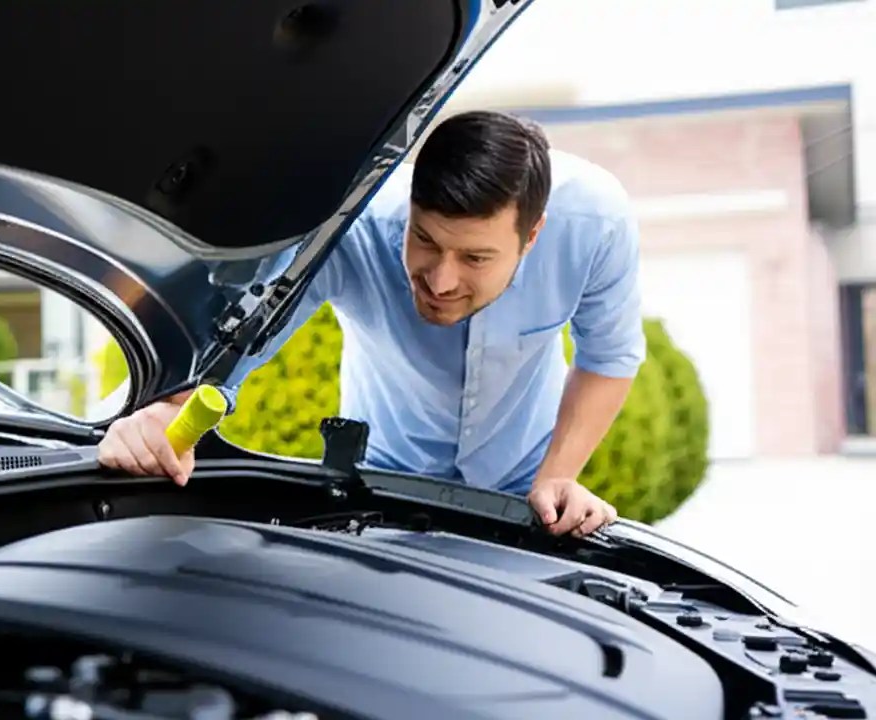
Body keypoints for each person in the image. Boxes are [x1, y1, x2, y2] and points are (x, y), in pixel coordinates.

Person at [97, 110, 645, 538]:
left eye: (475, 258)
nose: (441, 280)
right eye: (424, 239)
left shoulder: (593, 225)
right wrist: (167, 418)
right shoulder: (353, 226)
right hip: (381, 479)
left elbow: (609, 357)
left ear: (533, 235)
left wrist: (558, 477)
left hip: (523, 479)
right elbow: (237, 346)